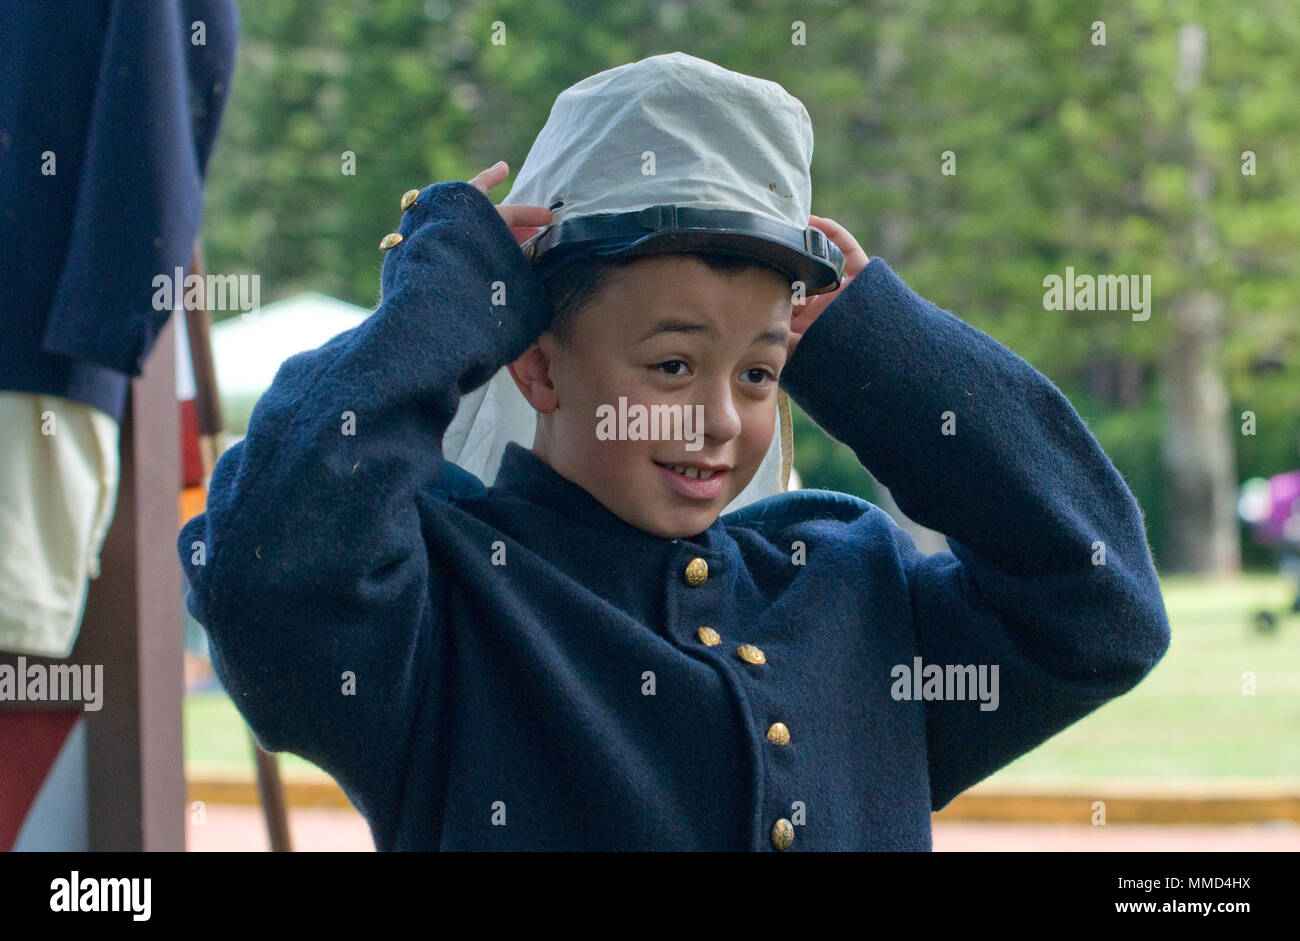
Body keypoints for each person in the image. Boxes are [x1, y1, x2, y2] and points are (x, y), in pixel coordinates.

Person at [178, 53, 1170, 851]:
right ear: (534, 365)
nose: (719, 421)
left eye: (757, 373)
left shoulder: (843, 588)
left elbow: (1098, 605)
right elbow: (276, 569)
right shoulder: (449, 602)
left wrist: (881, 349)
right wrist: (444, 300)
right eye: (668, 365)